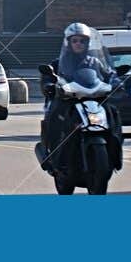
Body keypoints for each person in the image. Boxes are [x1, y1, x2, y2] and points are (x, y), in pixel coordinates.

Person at [39, 22, 116, 171]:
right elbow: (48, 77)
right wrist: (48, 84)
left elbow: (107, 74)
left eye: (82, 41)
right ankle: (53, 155)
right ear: (68, 42)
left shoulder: (95, 61)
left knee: (112, 111)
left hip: (93, 99)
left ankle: (114, 150)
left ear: (88, 42)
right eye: (75, 41)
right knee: (55, 113)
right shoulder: (58, 63)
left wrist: (116, 80)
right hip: (69, 100)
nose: (78, 44)